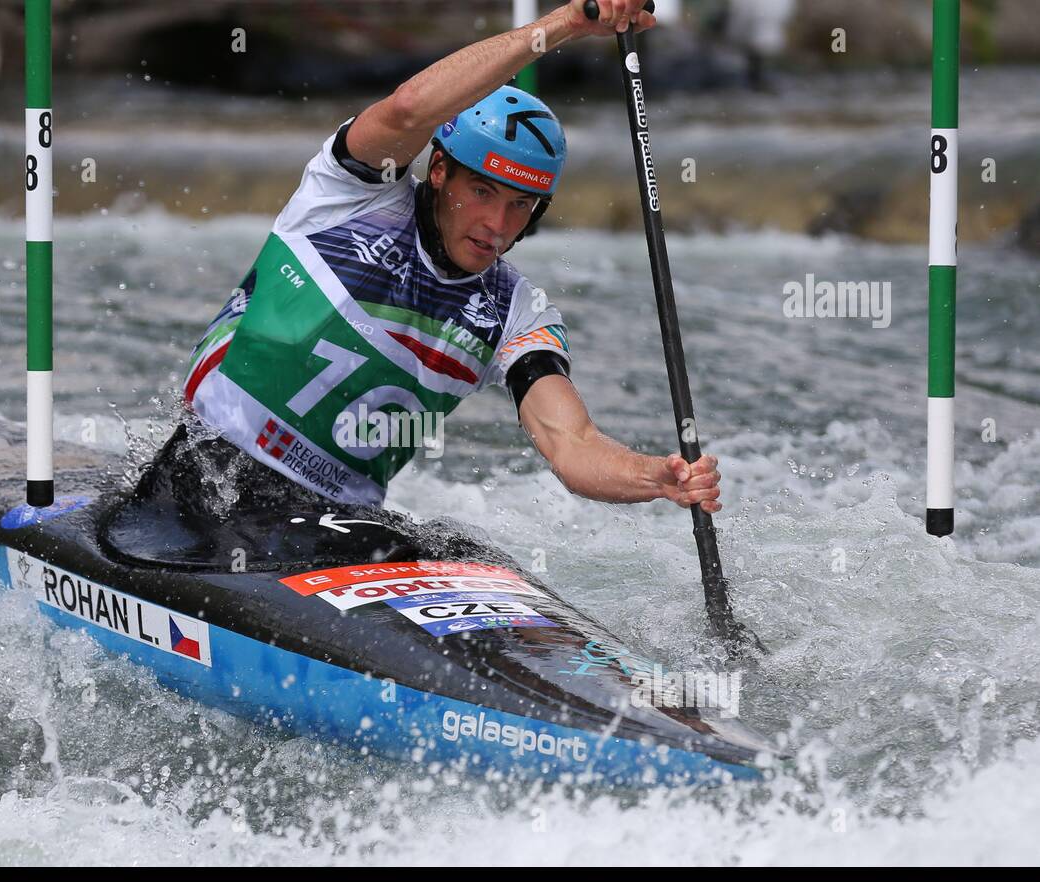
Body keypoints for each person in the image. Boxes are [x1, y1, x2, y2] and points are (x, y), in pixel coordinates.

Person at [150, 0, 722, 523]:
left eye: (519, 205)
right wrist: (569, 23)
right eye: (482, 192)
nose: (496, 226)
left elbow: (572, 446)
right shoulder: (349, 195)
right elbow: (404, 111)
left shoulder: (516, 312)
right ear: (441, 170)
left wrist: (656, 477)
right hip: (207, 477)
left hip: (337, 522)